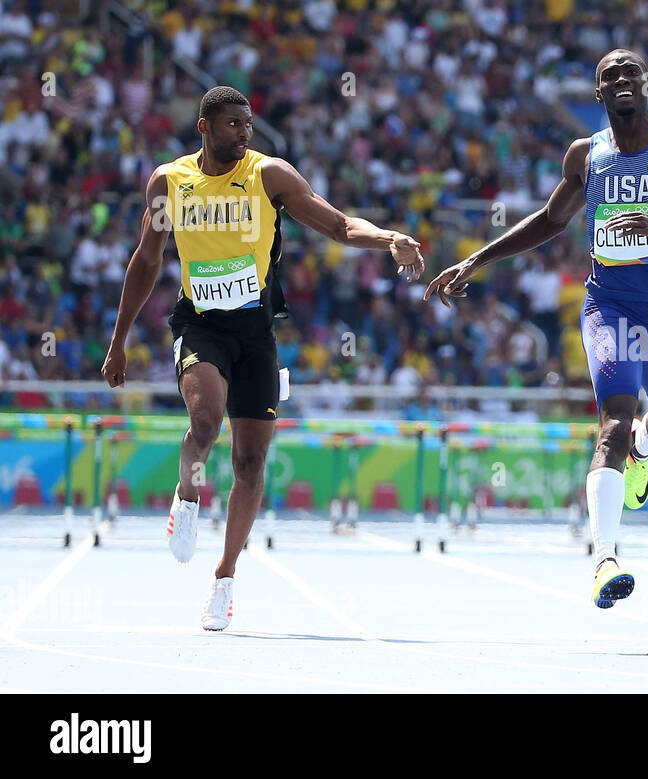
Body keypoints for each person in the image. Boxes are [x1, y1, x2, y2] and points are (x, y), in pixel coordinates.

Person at [425, 49, 648, 609]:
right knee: (612, 426)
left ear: (644, 84)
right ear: (598, 94)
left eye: (629, 72)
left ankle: (647, 448)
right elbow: (549, 220)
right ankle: (604, 558)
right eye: (608, 76)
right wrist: (477, 259)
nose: (620, 79)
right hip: (608, 306)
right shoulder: (585, 155)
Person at [101, 86, 423, 630]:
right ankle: (187, 493)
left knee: (250, 462)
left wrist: (388, 237)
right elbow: (146, 261)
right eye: (232, 124)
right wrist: (118, 341)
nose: (243, 132)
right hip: (201, 326)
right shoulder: (169, 182)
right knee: (203, 425)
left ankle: (224, 577)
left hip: (255, 335)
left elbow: (338, 224)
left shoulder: (269, 175)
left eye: (248, 124)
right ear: (204, 127)